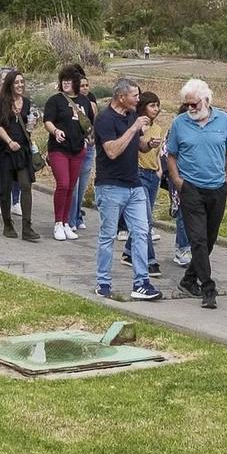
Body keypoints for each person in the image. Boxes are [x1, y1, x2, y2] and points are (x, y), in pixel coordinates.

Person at [165, 78, 227, 309]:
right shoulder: (179, 124)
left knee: (210, 239)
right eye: (187, 105)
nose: (190, 109)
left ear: (206, 100)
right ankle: (208, 288)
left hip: (217, 187)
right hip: (191, 188)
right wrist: (177, 180)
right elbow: (171, 154)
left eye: (194, 104)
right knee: (198, 239)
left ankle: (188, 279)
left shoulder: (224, 120)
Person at [91, 78, 162, 301]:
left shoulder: (132, 115)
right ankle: (103, 282)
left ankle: (141, 282)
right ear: (121, 97)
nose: (138, 100)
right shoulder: (104, 120)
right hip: (111, 186)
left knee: (142, 231)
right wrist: (133, 129)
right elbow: (112, 151)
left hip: (135, 185)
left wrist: (148, 144)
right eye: (135, 96)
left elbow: (138, 145)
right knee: (108, 235)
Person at [0, 71, 40, 240]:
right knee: (5, 187)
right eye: (16, 82)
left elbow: (27, 124)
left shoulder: (26, 103)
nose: (20, 85)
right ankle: (7, 224)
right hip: (5, 149)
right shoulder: (0, 103)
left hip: (22, 149)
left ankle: (27, 227)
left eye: (21, 82)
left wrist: (31, 125)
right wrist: (9, 141)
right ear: (10, 84)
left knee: (26, 185)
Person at [42, 64, 91, 240]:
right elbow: (47, 121)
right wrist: (55, 131)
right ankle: (57, 223)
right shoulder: (55, 100)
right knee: (62, 184)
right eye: (63, 81)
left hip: (78, 149)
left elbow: (89, 124)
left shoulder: (84, 101)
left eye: (69, 81)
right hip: (59, 149)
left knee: (71, 186)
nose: (66, 84)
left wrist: (87, 139)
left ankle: (66, 222)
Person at [124, 91, 165, 269]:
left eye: (157, 106)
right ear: (143, 107)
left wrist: (159, 169)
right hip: (138, 174)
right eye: (152, 105)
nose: (155, 109)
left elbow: (157, 152)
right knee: (146, 219)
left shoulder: (158, 128)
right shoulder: (136, 124)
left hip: (153, 174)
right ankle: (149, 260)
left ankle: (128, 252)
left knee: (144, 217)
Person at [70, 75, 99, 232]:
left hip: (89, 147)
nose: (85, 88)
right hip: (75, 147)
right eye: (82, 86)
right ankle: (71, 218)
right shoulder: (71, 103)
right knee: (73, 184)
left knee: (82, 185)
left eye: (87, 85)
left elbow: (95, 123)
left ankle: (77, 214)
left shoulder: (91, 101)